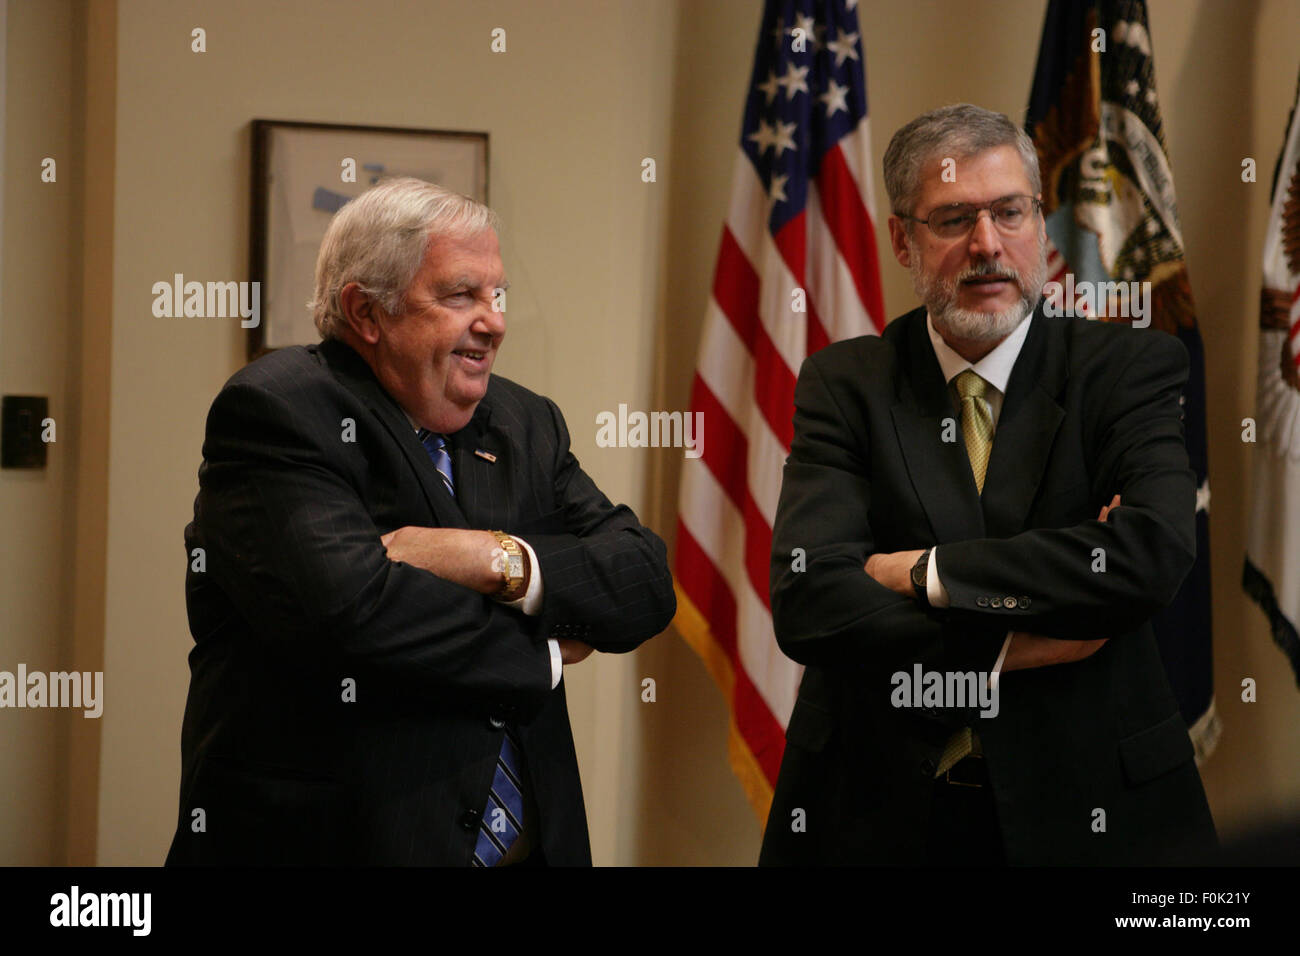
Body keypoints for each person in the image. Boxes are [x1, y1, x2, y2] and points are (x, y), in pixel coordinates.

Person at [166, 178, 675, 866]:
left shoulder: (524, 421)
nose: (494, 320)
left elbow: (644, 580)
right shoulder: (281, 409)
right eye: (461, 295)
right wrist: (548, 649)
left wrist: (496, 561)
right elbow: (354, 613)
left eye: (498, 295)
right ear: (366, 312)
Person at [758, 104, 1216, 865]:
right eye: (953, 219)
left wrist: (923, 572)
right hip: (877, 811)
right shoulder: (847, 385)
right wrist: (1010, 644)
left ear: (1041, 223)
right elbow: (812, 604)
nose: (987, 245)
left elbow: (1147, 555)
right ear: (902, 238)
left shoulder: (1126, 370)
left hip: (1092, 805)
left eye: (1010, 212)